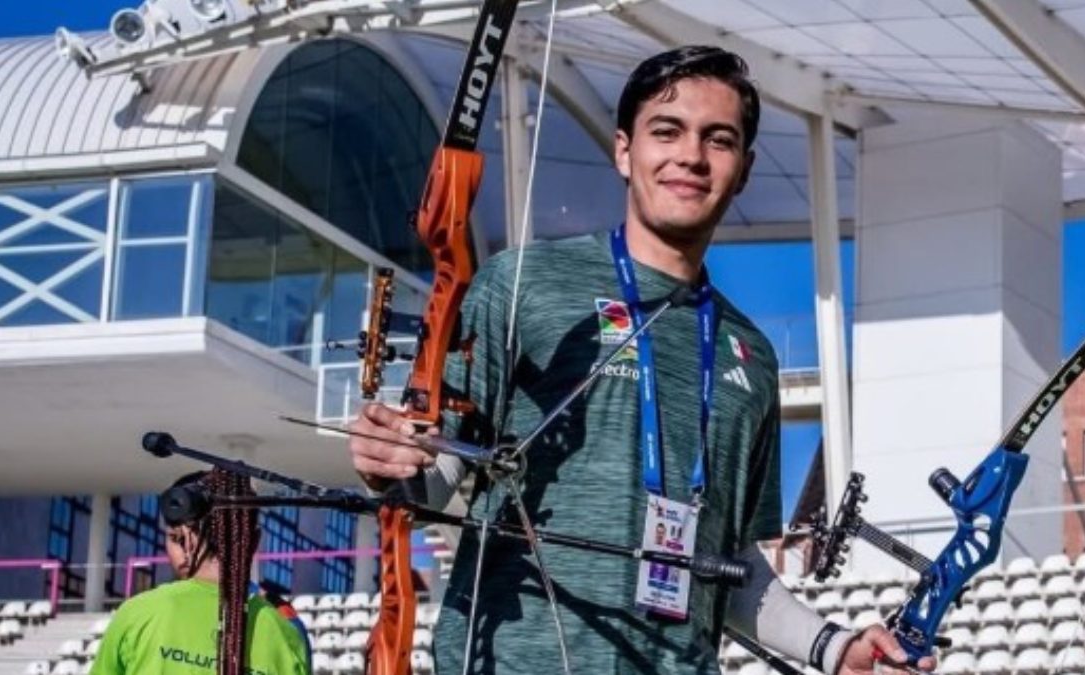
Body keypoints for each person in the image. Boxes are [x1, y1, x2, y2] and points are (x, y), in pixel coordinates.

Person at [350, 46, 937, 675]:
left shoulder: (753, 359)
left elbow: (731, 560)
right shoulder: (525, 284)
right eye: (667, 131)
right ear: (624, 151)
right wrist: (390, 461)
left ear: (743, 169)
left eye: (718, 139)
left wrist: (835, 647)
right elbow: (436, 471)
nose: (691, 155)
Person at [92, 470, 309, 675]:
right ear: (254, 541)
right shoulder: (286, 634)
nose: (181, 556)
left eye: (177, 538)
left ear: (187, 538)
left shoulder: (137, 614)